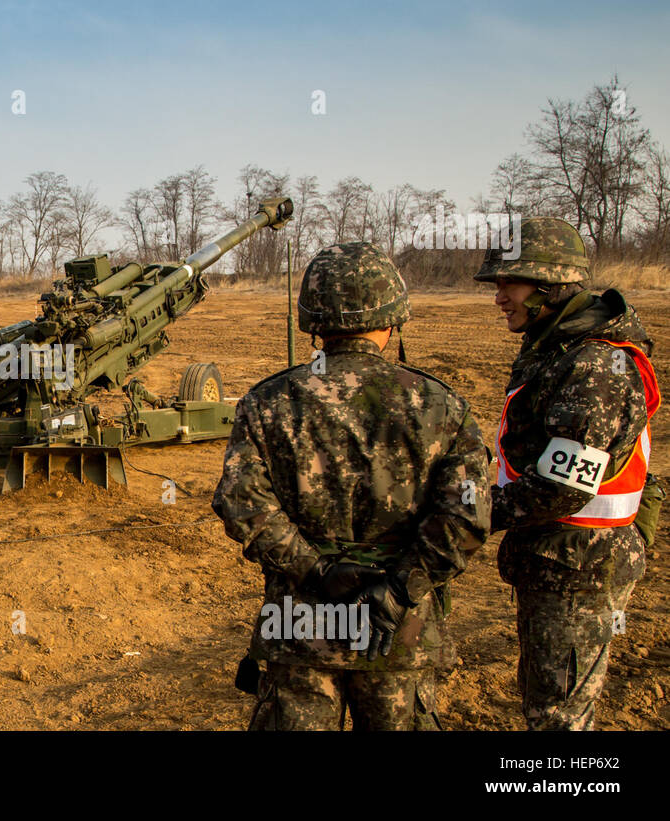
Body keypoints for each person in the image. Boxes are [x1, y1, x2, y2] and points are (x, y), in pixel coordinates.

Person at [212, 241, 490, 730]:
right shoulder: (439, 403)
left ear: (314, 322)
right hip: (397, 630)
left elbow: (242, 504)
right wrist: (399, 590)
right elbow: (465, 517)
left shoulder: (268, 400)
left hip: (300, 626)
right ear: (393, 318)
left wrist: (316, 570)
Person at [476, 217, 659, 730]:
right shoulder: (558, 346)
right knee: (549, 699)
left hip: (580, 564)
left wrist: (472, 512)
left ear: (549, 284)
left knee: (558, 715)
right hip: (563, 559)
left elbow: (562, 485)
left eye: (509, 283)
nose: (499, 298)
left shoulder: (591, 364)